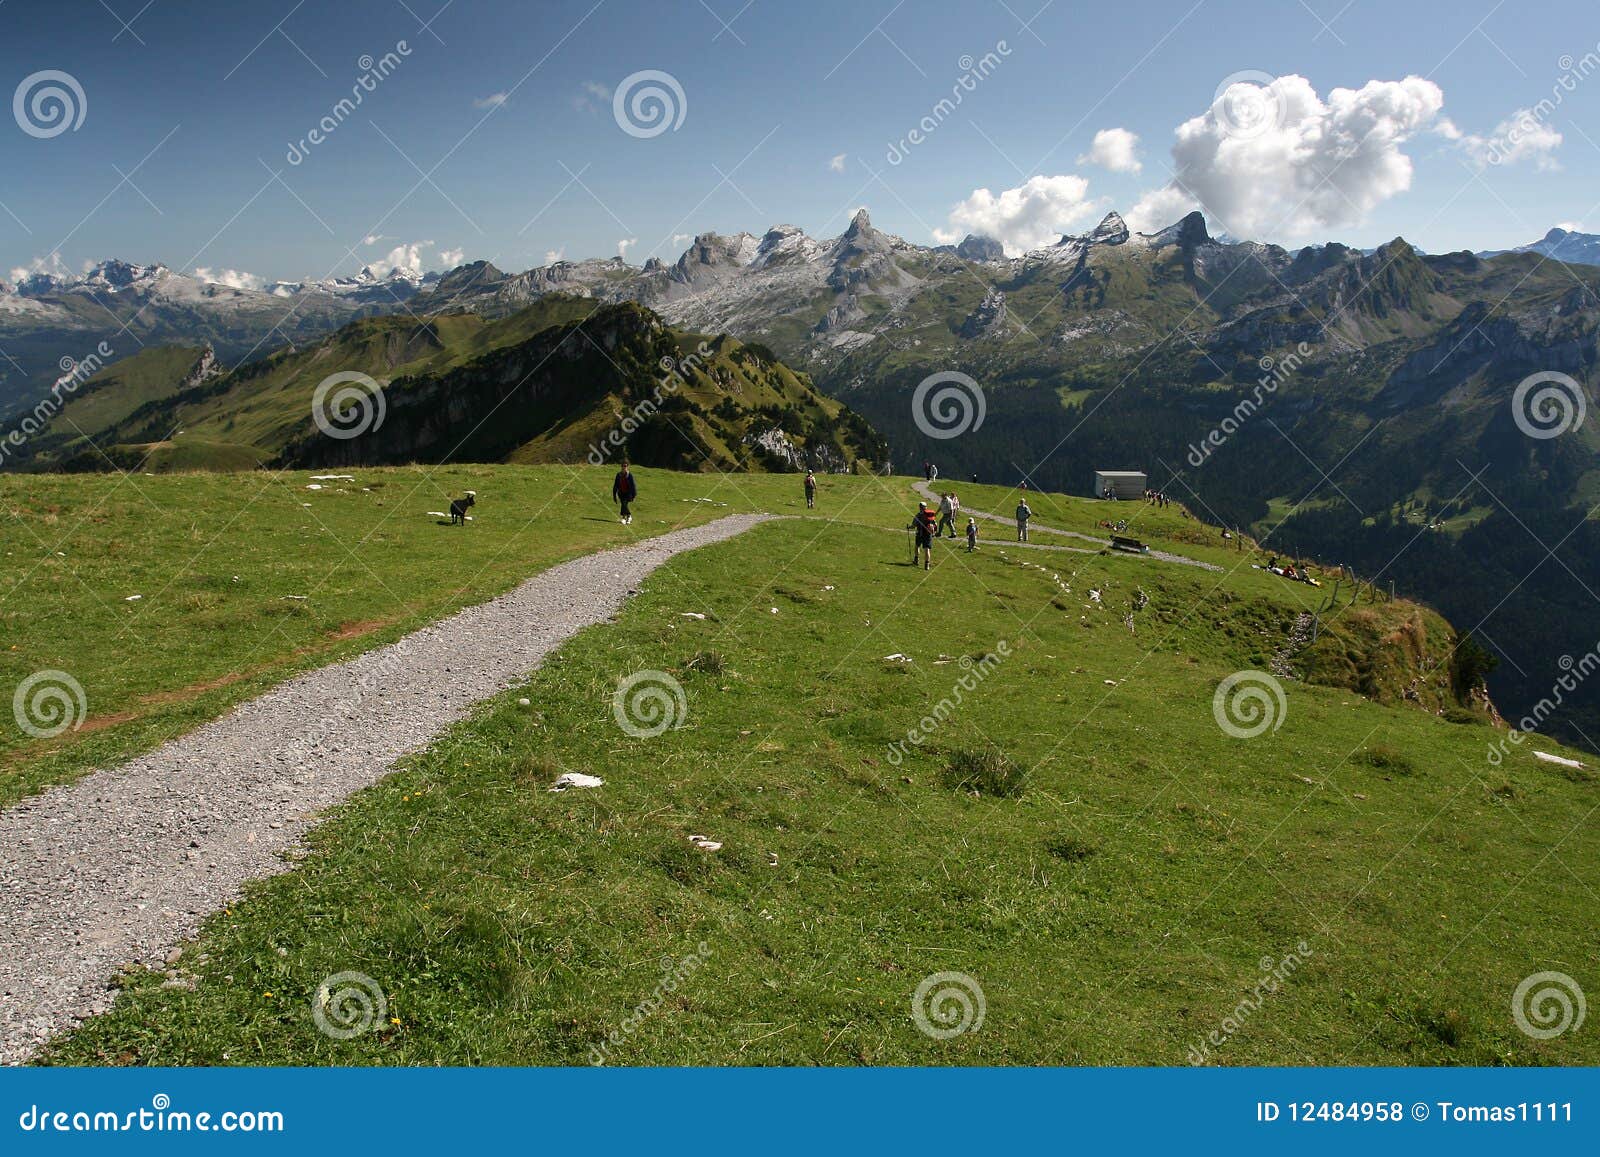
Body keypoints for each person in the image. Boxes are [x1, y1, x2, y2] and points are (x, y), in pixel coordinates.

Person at [909, 502, 937, 570]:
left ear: (920, 507)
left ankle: (916, 560)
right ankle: (926, 565)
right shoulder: (930, 515)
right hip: (928, 534)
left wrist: (909, 527)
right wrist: (933, 532)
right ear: (926, 507)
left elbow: (913, 525)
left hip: (920, 533)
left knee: (917, 546)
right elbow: (935, 524)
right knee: (927, 549)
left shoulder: (918, 515)